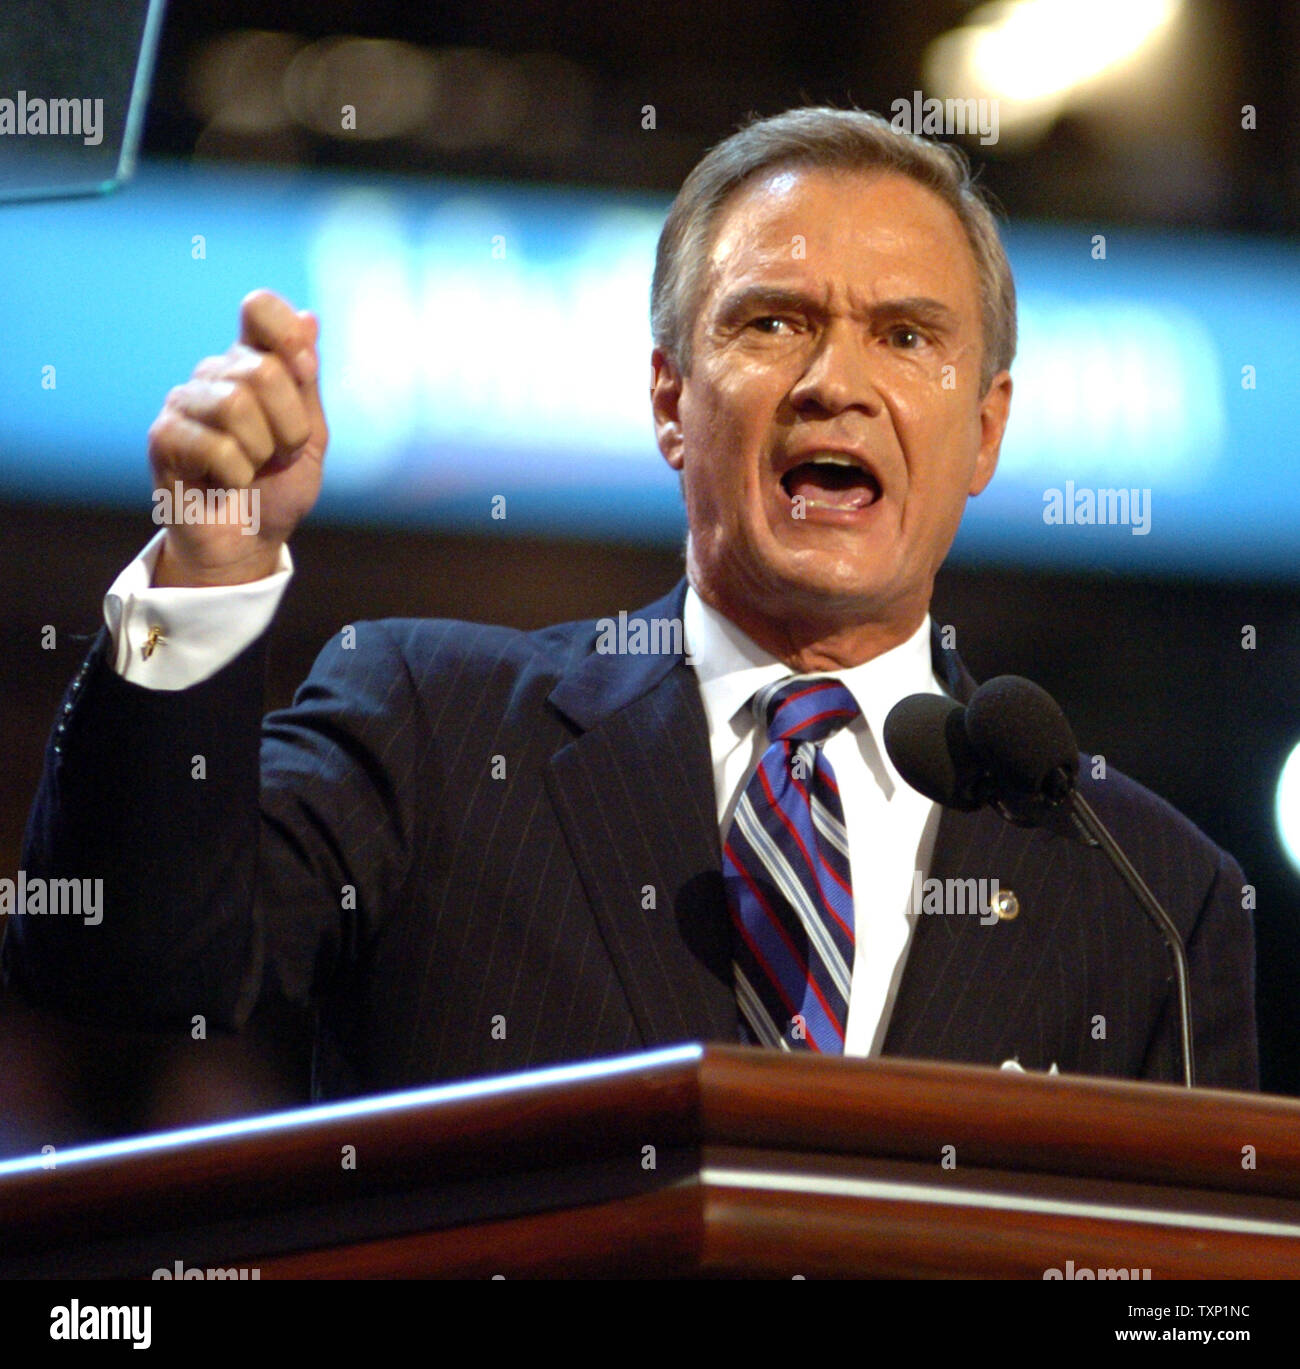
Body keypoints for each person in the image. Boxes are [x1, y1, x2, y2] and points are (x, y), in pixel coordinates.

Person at [2, 108, 1257, 1099]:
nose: (835, 382)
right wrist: (205, 571)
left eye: (906, 338)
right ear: (670, 400)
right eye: (771, 321)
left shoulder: (1145, 891)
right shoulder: (431, 734)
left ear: (984, 432)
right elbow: (123, 957)